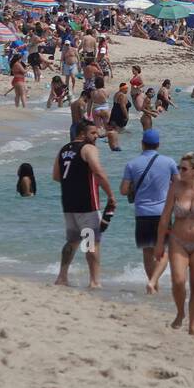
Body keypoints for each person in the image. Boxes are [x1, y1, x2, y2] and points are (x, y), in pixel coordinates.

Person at [147, 152, 194, 335]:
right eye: (179, 168)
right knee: (178, 280)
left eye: (184, 169)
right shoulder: (175, 187)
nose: (180, 171)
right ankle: (180, 313)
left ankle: (193, 326)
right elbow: (165, 217)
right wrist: (159, 244)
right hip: (178, 242)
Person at [52, 119, 115, 288]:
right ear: (82, 133)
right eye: (93, 133)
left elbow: (56, 176)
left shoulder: (63, 149)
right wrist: (111, 195)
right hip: (87, 204)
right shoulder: (88, 148)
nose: (96, 137)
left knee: (72, 241)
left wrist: (74, 181)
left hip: (68, 203)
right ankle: (94, 281)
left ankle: (62, 277)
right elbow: (99, 172)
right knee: (91, 242)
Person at [119, 129, 180, 287]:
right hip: (163, 214)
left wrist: (134, 185)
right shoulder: (169, 162)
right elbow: (180, 185)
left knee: (147, 252)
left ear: (142, 144)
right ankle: (154, 282)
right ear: (158, 145)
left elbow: (123, 190)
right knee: (165, 250)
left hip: (142, 214)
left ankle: (153, 283)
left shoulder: (132, 164)